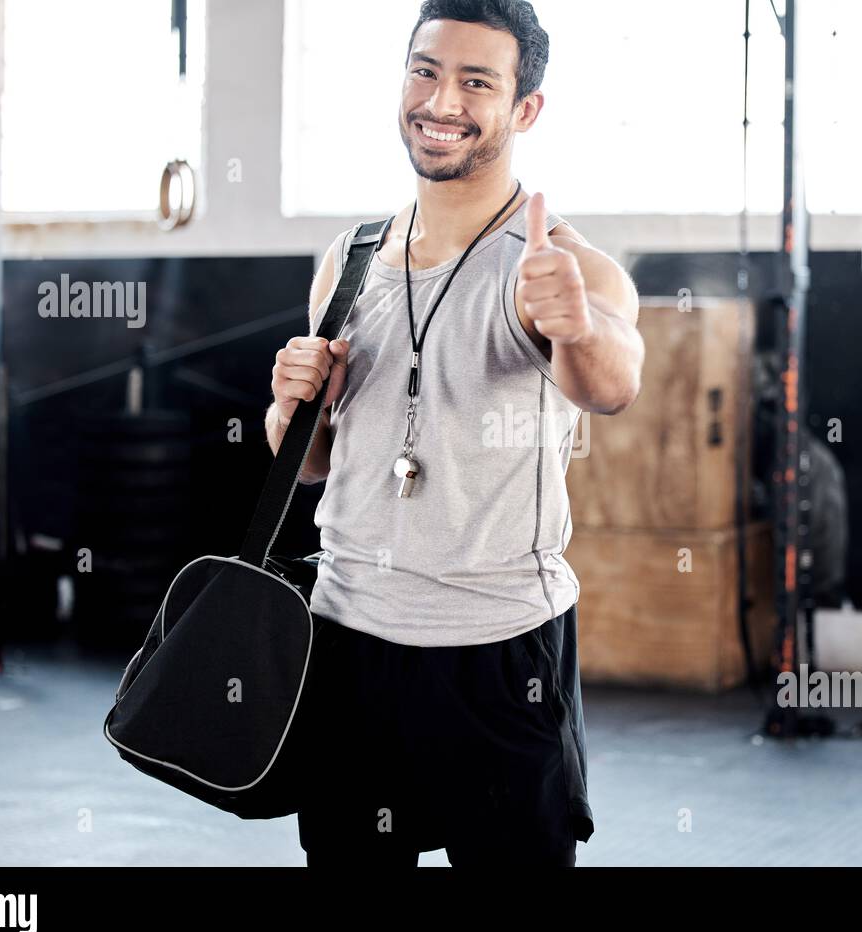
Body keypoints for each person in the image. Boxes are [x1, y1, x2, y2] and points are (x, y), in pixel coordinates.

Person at [265, 0, 643, 867]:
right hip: (348, 645)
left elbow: (615, 381)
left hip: (500, 658)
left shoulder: (559, 264)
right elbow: (312, 464)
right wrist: (294, 406)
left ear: (524, 109)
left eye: (478, 81)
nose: (442, 101)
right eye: (426, 71)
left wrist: (577, 328)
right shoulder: (351, 257)